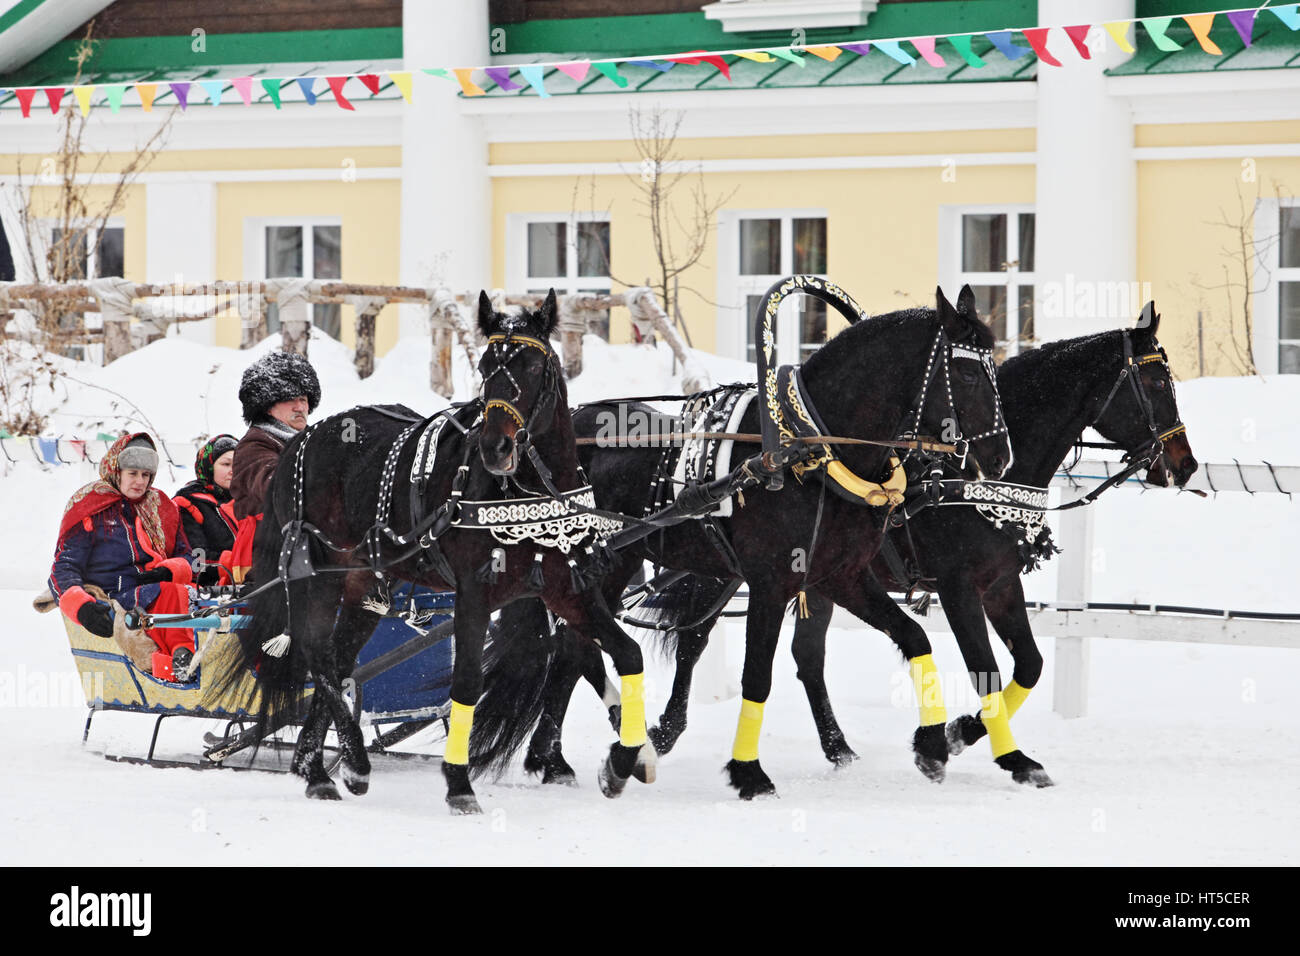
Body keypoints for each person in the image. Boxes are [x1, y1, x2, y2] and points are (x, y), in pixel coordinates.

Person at [49, 432, 198, 682]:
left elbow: (188, 555)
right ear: (116, 471)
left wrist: (171, 568)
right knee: (170, 595)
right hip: (113, 594)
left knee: (192, 597)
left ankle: (193, 659)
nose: (140, 481)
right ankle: (177, 664)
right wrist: (82, 606)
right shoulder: (90, 505)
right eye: (133, 473)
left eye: (146, 475)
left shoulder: (161, 505)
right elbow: (64, 566)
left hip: (156, 587)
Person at [228, 350, 321, 582]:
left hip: (302, 548)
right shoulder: (255, 444)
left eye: (304, 399)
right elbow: (275, 486)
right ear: (268, 406)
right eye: (291, 400)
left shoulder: (308, 443)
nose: (301, 407)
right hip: (266, 552)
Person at [173, 434, 239, 585]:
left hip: (249, 582)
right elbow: (196, 558)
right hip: (210, 590)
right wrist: (236, 563)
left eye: (238, 464)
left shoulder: (248, 501)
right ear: (209, 466)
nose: (233, 470)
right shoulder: (189, 502)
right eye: (226, 464)